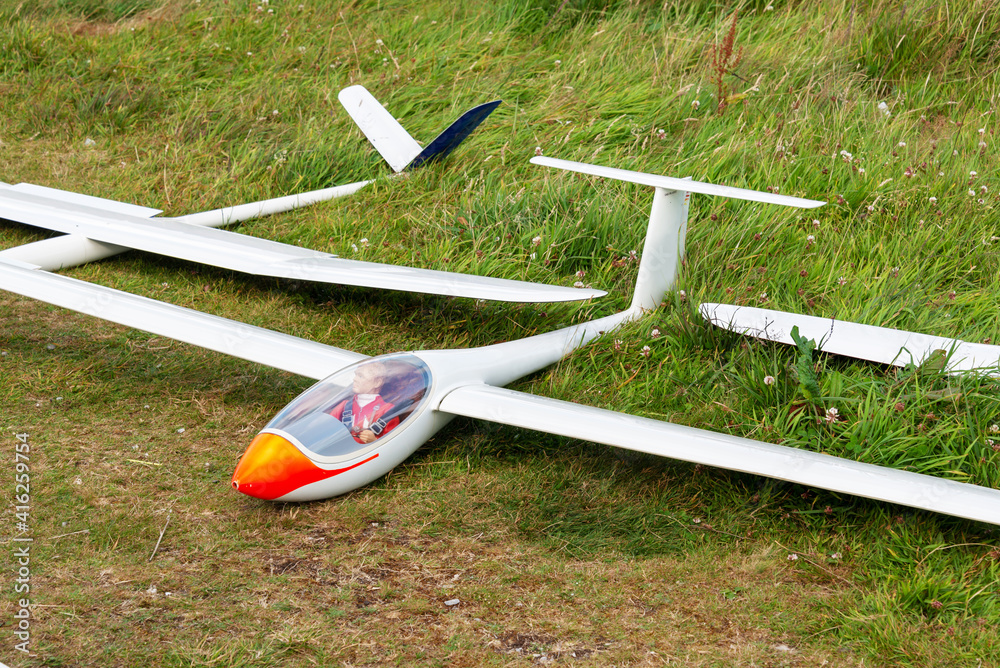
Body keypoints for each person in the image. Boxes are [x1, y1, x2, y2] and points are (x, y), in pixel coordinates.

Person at [327, 362, 400, 444]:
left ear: (377, 382)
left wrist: (374, 440)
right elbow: (327, 428)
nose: (354, 379)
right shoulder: (344, 406)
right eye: (356, 375)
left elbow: (392, 445)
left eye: (361, 376)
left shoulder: (387, 411)